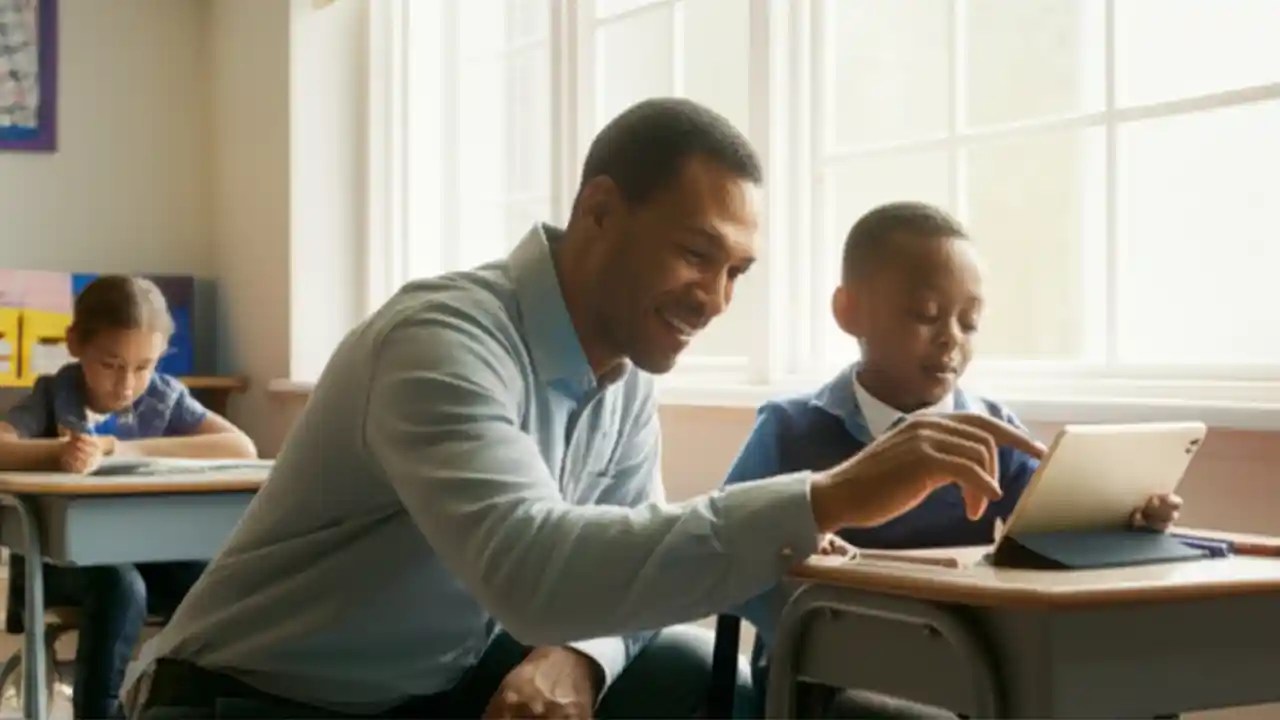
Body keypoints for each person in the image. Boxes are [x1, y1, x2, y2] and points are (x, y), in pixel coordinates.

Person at [127, 99, 1044, 719]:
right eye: (697, 255)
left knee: (692, 677)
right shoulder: (442, 342)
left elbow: (629, 561)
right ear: (600, 212)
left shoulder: (626, 377)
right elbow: (531, 566)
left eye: (736, 272)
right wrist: (826, 497)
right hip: (251, 693)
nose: (715, 299)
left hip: (430, 689)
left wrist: (581, 654)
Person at [724, 201, 1182, 718]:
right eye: (925, 315)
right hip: (822, 681)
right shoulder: (790, 431)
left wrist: (1125, 520)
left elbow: (1051, 529)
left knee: (1142, 697)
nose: (951, 339)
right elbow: (718, 559)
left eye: (970, 322)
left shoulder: (993, 431)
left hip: (969, 669)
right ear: (849, 311)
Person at [0, 275, 258, 719]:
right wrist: (59, 452)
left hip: (149, 555)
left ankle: (186, 701)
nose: (126, 384)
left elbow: (240, 447)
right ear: (75, 343)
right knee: (119, 585)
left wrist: (119, 447)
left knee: (216, 580)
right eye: (111, 364)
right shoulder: (54, 394)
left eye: (143, 367)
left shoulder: (163, 398)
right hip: (58, 563)